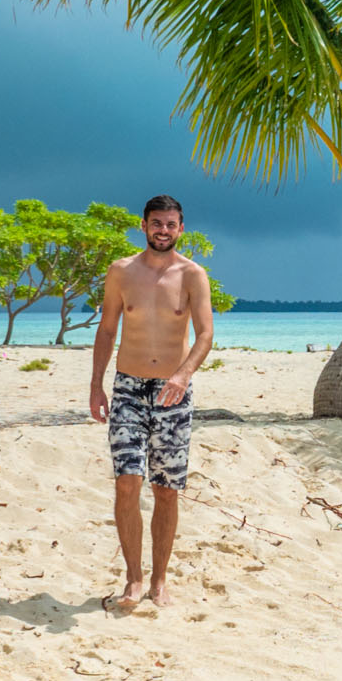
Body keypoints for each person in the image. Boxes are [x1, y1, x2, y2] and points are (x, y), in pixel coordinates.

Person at [89, 194, 215, 611]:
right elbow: (107, 330)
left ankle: (160, 581)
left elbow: (205, 335)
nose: (163, 230)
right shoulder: (121, 272)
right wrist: (97, 385)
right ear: (143, 225)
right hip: (128, 388)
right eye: (156, 223)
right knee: (127, 482)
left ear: (181, 229)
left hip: (173, 393)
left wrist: (182, 375)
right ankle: (133, 579)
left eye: (171, 224)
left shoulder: (193, 275)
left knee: (166, 489)